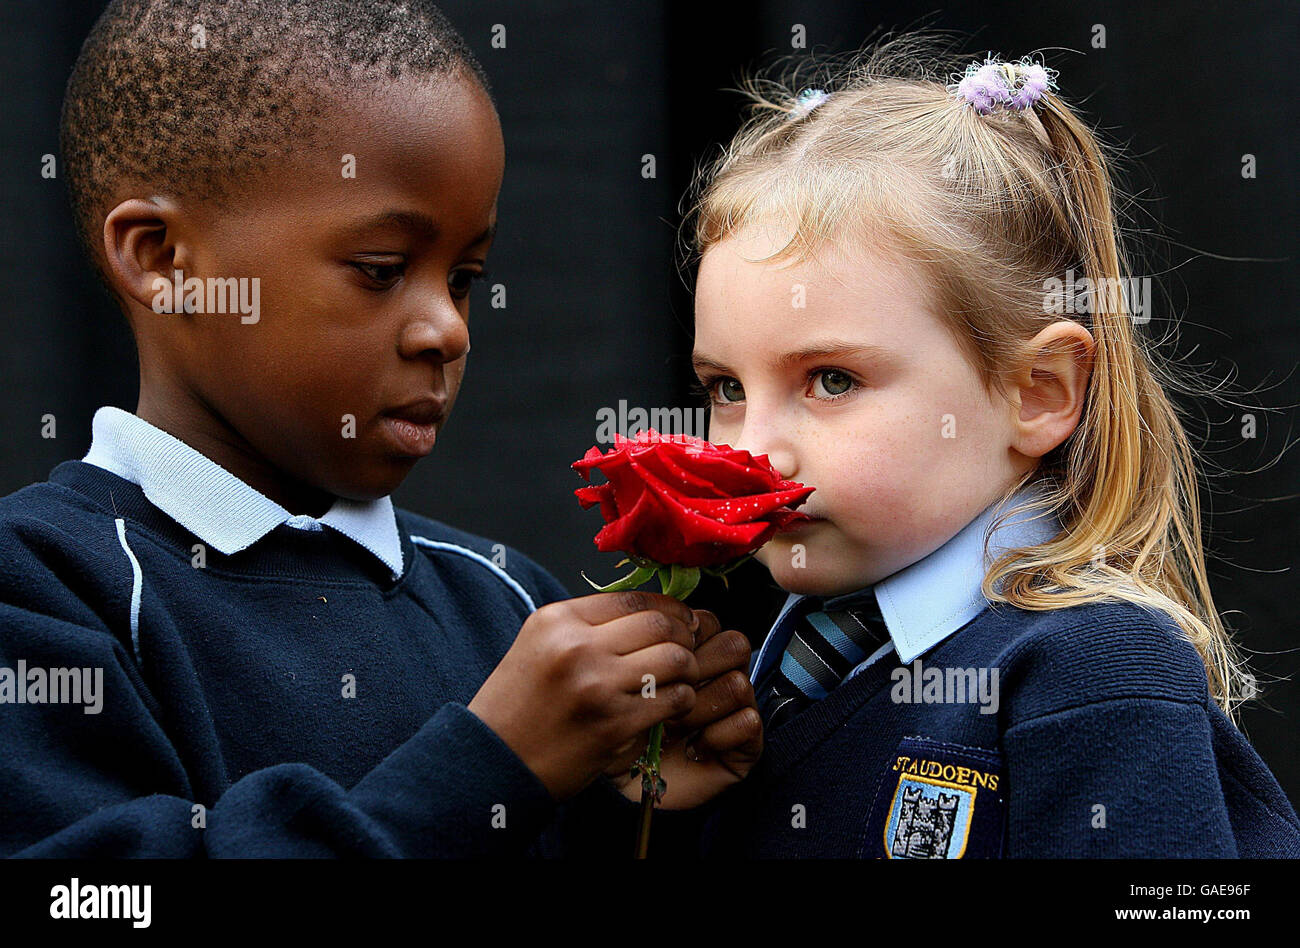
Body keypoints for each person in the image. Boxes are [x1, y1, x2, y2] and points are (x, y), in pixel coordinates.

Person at [0, 0, 760, 857]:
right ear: (162, 259)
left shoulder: (510, 602)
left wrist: (637, 807)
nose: (448, 329)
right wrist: (491, 765)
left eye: (465, 276)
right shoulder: (43, 591)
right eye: (381, 270)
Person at [679, 36, 1300, 857]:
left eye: (830, 381)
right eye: (727, 389)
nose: (753, 451)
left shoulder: (1100, 673)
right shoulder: (756, 663)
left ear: (1038, 392)